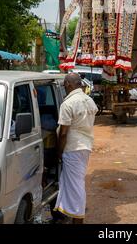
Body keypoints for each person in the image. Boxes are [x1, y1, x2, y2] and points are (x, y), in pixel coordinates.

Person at [53, 73, 98, 224]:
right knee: (74, 182)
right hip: (85, 146)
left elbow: (64, 133)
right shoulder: (89, 101)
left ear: (69, 85)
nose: (64, 87)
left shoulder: (68, 104)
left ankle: (78, 219)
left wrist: (58, 152)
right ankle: (71, 215)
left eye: (65, 85)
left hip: (72, 148)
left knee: (75, 185)